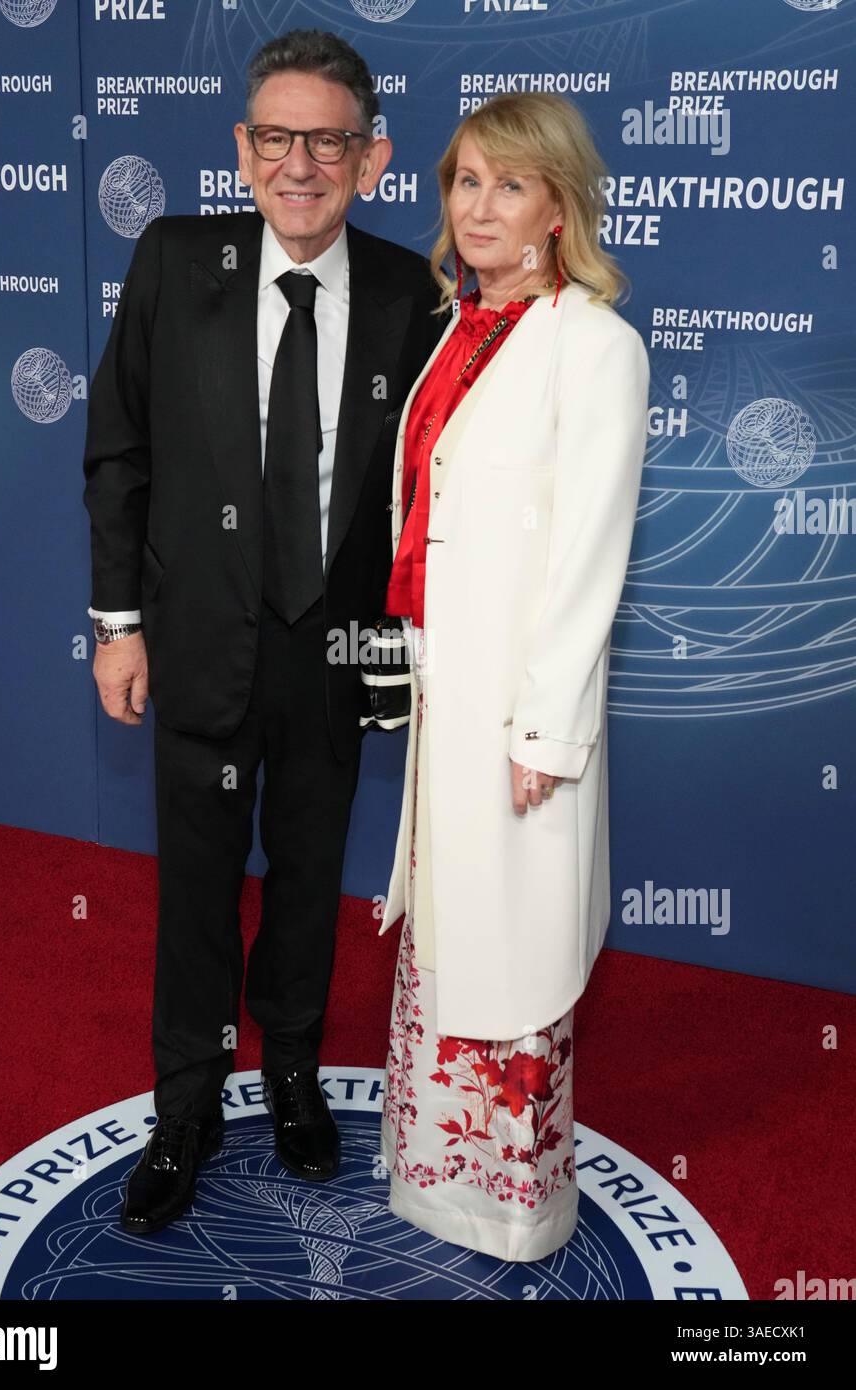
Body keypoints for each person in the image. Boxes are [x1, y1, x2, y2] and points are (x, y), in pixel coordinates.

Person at [82, 28, 446, 1235]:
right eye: (277, 138)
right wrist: (118, 622)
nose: (302, 164)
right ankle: (183, 1106)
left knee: (305, 874)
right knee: (194, 886)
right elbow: (119, 450)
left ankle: (292, 1071)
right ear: (242, 151)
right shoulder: (172, 258)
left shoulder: (410, 294)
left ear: (371, 157)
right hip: (193, 639)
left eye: (328, 140)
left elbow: (433, 487)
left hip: (335, 651)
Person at [377, 93, 650, 1262]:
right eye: (462, 181)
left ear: (557, 208)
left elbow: (589, 558)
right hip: (448, 689)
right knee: (449, 929)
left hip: (519, 712)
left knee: (512, 941)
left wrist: (543, 731)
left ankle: (508, 1207)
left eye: (508, 185)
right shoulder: (459, 324)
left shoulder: (594, 345)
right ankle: (431, 1175)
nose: (477, 207)